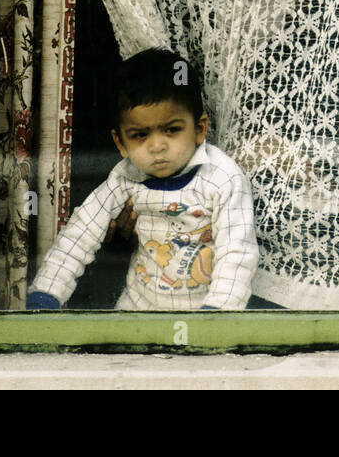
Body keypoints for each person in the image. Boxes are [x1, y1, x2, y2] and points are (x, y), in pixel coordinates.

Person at [25, 48, 258, 311]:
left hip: (205, 316)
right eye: (140, 135)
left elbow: (237, 253)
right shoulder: (125, 178)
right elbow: (79, 234)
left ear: (199, 129)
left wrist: (218, 314)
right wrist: (45, 295)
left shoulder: (221, 177)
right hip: (137, 314)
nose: (157, 146)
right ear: (120, 143)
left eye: (171, 130)